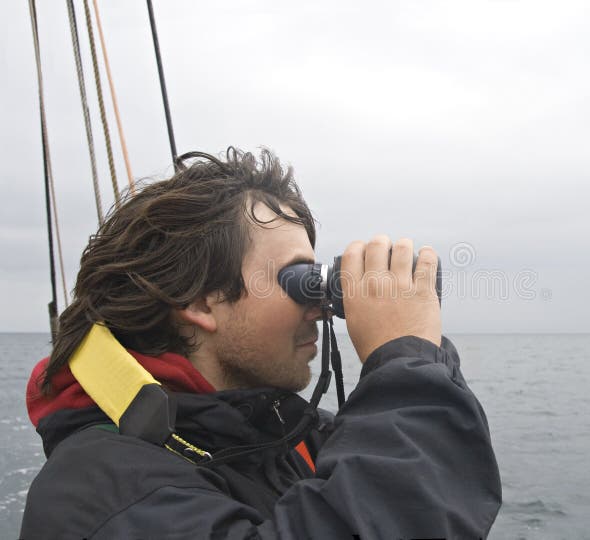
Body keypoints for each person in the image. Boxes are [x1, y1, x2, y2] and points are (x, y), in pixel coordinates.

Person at [20, 148, 501, 539]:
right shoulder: (101, 496)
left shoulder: (280, 436)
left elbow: (430, 485)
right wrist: (407, 364)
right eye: (299, 279)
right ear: (201, 301)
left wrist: (417, 352)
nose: (319, 305)